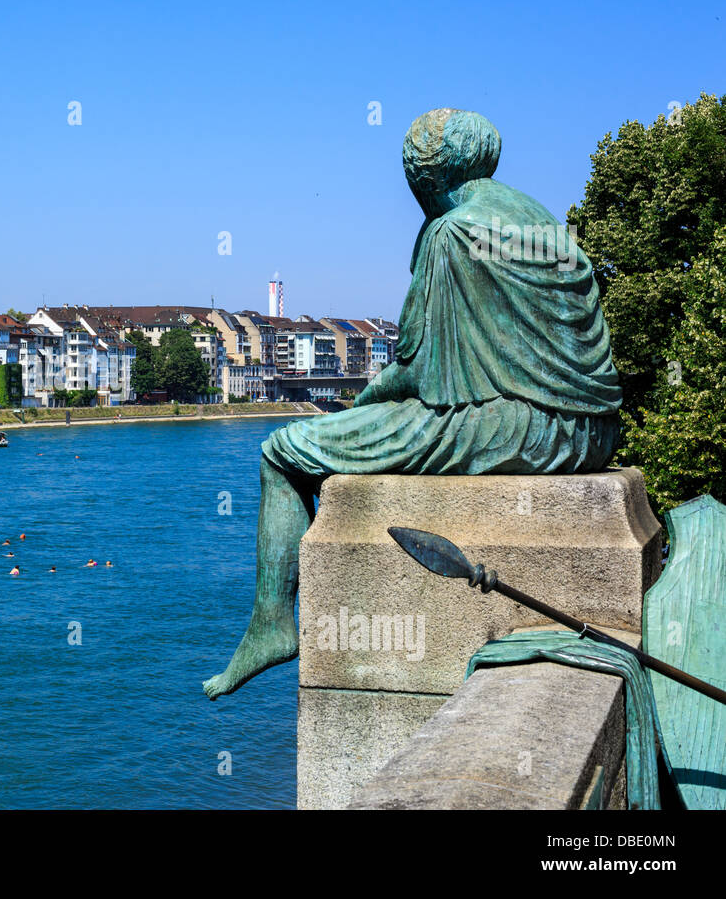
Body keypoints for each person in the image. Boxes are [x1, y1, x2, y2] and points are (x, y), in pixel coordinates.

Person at [204, 109, 623, 700]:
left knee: (283, 450)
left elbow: (420, 372)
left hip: (520, 424)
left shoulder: (452, 232)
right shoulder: (536, 218)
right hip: (592, 430)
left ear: (424, 179)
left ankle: (272, 625)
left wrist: (361, 405)